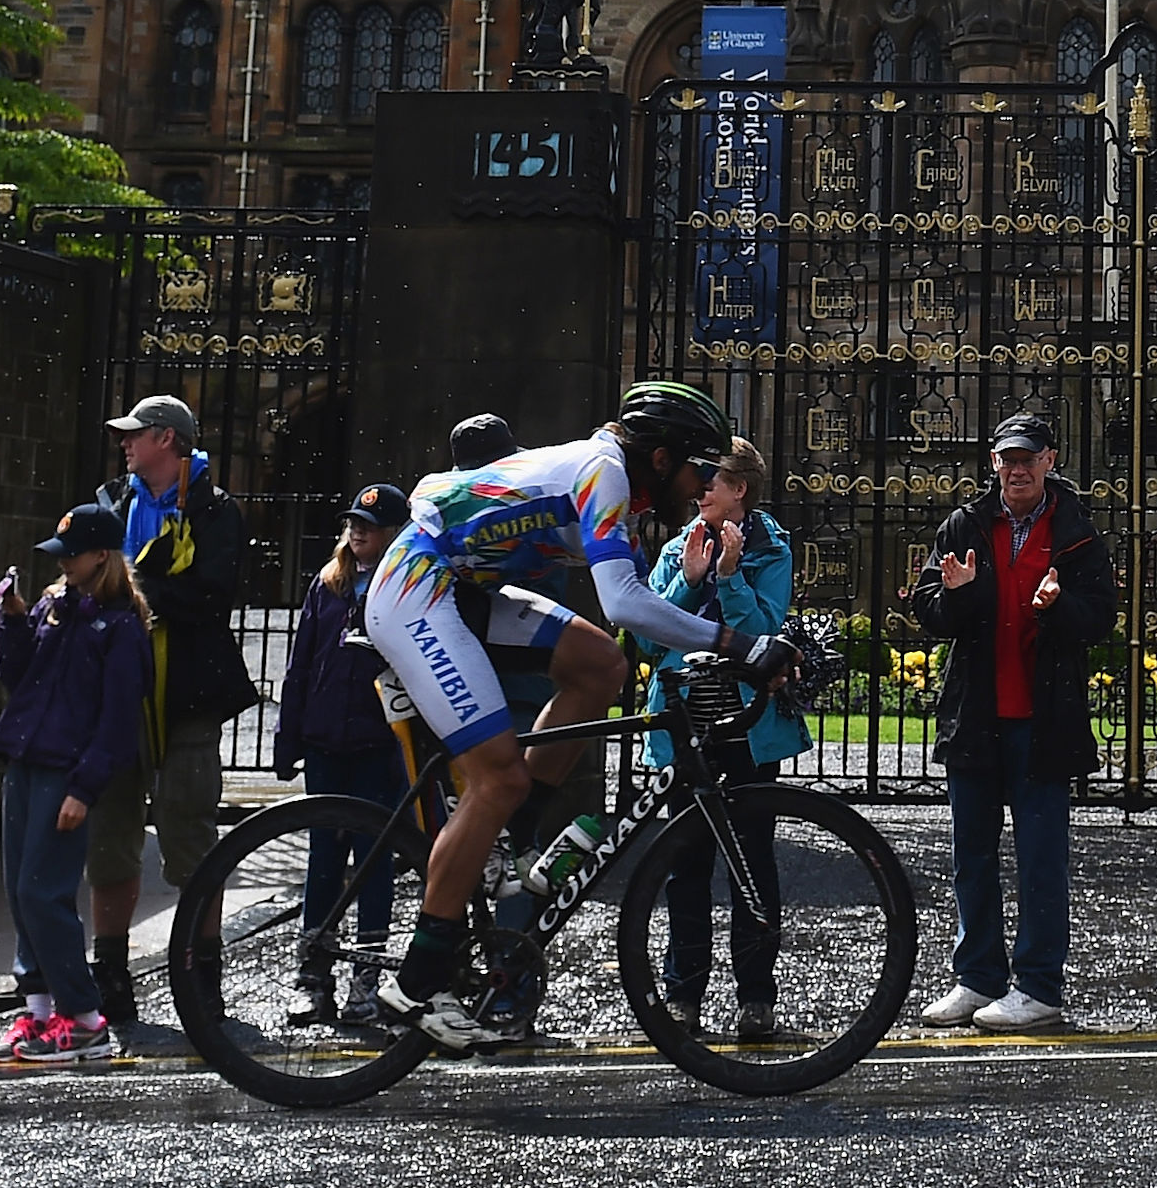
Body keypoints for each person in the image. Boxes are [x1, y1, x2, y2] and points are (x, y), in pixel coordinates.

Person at [364, 383, 794, 1049]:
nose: (704, 482)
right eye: (698, 467)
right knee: (495, 780)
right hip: (418, 591)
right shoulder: (604, 474)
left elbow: (637, 625)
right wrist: (739, 645)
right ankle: (417, 983)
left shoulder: (613, 482)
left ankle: (513, 837)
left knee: (601, 667)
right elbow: (623, 604)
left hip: (462, 590)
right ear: (660, 457)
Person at [911, 410, 1117, 1033]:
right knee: (970, 853)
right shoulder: (965, 524)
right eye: (1008, 458)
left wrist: (1059, 608)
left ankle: (1038, 985)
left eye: (1029, 457)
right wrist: (958, 593)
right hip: (977, 713)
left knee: (1040, 856)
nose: (1018, 468)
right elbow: (928, 605)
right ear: (993, 464)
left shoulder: (1076, 531)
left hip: (1042, 717)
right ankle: (977, 978)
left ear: (1050, 461)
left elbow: (1101, 616)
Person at [79, 395, 257, 1034]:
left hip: (187, 697)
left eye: (134, 435)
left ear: (167, 439)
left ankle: (201, 979)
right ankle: (111, 976)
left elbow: (210, 596)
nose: (124, 445)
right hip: (116, 700)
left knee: (190, 837)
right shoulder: (110, 503)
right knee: (111, 843)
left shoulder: (216, 511)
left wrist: (132, 588)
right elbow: (83, 581)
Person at [644, 438, 807, 1039]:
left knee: (751, 861)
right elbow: (648, 638)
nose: (699, 488)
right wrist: (689, 581)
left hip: (746, 726)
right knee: (686, 862)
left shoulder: (772, 551)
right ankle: (684, 993)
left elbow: (763, 635)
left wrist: (731, 578)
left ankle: (756, 999)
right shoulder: (675, 547)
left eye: (711, 479)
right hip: (687, 723)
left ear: (739, 490)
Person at [0, 505, 150, 1068]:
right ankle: (38, 1009)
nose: (63, 566)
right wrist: (12, 619)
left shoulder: (122, 625)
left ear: (100, 555)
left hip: (64, 770)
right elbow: (19, 676)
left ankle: (82, 1019)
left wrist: (85, 787)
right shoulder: (56, 607)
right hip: (26, 762)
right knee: (20, 889)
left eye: (71, 556)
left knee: (42, 891)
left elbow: (118, 719)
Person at [269, 484, 417, 1021]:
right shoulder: (327, 586)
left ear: (394, 533)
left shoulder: (404, 588)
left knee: (373, 860)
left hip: (379, 745)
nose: (358, 532)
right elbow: (301, 666)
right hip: (327, 741)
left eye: (370, 525)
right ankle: (313, 975)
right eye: (354, 522)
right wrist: (290, 739)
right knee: (324, 858)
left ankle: (367, 974)